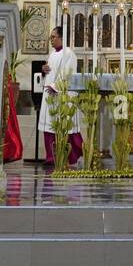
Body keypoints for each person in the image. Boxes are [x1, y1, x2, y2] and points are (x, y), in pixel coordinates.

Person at [37, 27, 82, 166]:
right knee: (49, 128)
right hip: (49, 95)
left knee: (63, 127)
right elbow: (51, 72)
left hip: (61, 95)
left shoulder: (69, 54)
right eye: (51, 37)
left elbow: (68, 73)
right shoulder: (52, 54)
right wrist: (44, 71)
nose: (51, 40)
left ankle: (70, 156)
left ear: (62, 37)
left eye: (53, 37)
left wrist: (55, 87)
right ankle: (51, 157)